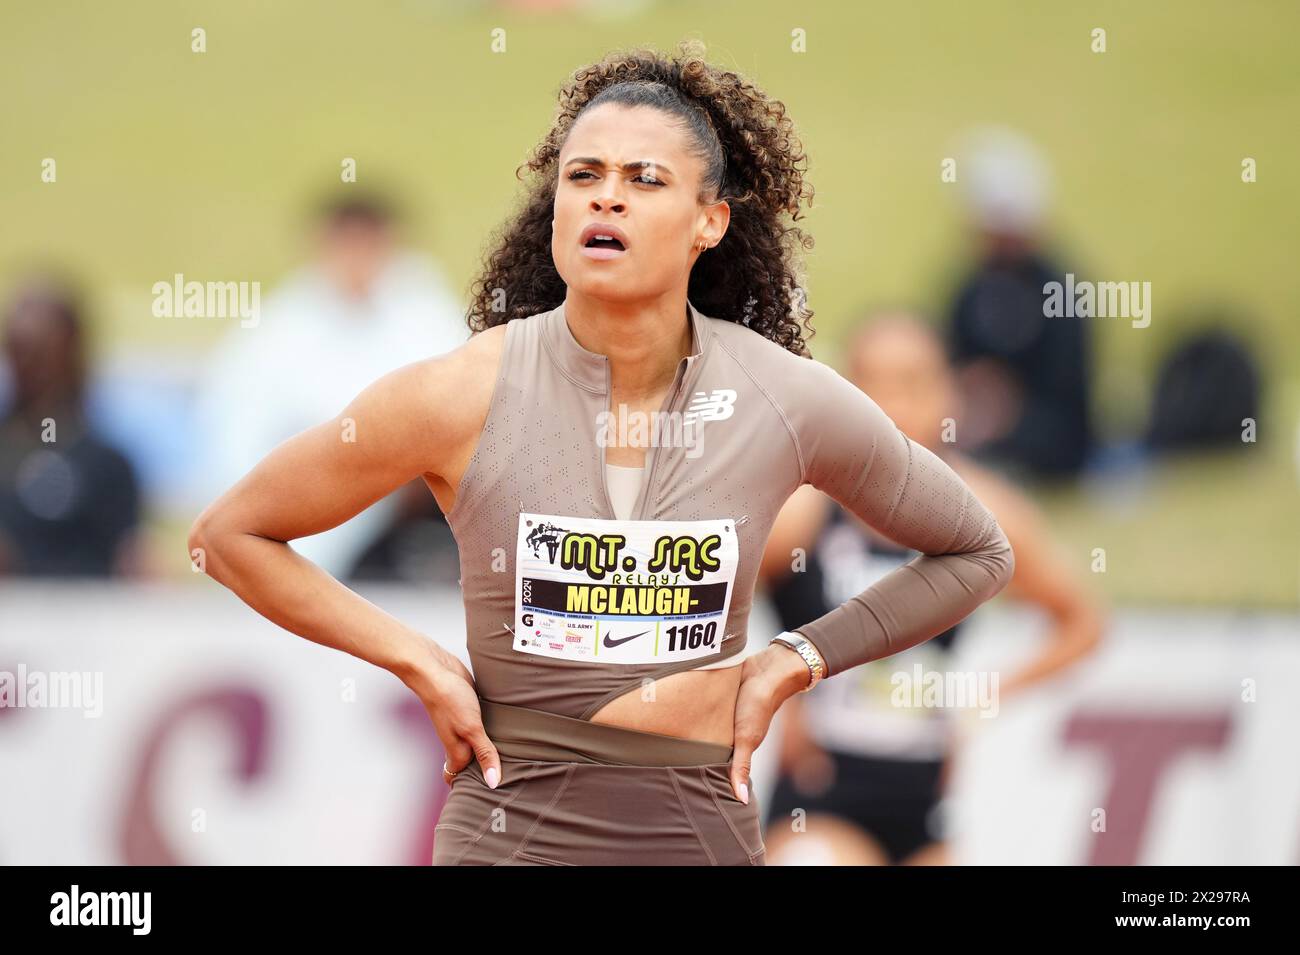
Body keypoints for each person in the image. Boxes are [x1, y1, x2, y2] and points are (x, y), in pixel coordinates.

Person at [188, 43, 1015, 866]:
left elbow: (976, 548)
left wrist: (794, 659)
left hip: (698, 831)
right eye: (582, 177)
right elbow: (230, 536)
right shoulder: (458, 393)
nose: (605, 200)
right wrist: (419, 659)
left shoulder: (784, 397)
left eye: (643, 180)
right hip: (508, 834)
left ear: (709, 221)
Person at [761, 311, 1106, 865]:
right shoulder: (805, 509)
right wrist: (776, 686)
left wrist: (981, 704)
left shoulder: (985, 510)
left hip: (925, 797)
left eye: (913, 383)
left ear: (950, 395)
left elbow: (1082, 624)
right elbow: (706, 605)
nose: (894, 405)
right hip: (820, 791)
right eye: (872, 383)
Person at [189, 190, 467, 579]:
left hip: (408, 516)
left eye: (367, 244)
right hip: (300, 509)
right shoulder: (275, 330)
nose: (357, 259)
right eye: (347, 244)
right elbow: (235, 436)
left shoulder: (427, 316)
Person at [945, 127, 1095, 481]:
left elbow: (1069, 398)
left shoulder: (1060, 291)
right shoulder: (969, 289)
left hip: (1052, 445)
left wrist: (1009, 410)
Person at [0, 277, 145, 577]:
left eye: (43, 354)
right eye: (22, 351)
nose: (32, 369)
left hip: (95, 615)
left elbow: (130, 556)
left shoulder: (109, 465)